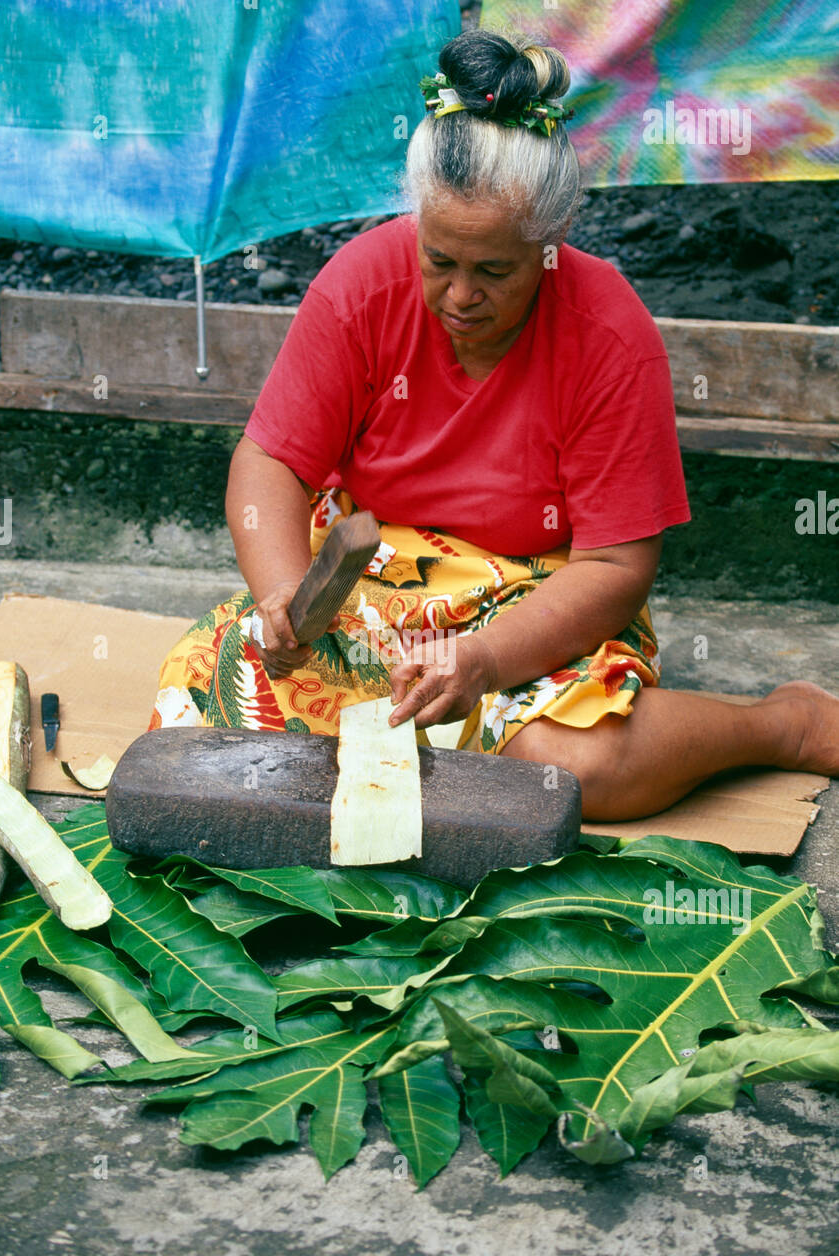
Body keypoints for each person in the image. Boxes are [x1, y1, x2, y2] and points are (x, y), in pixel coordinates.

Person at [149, 27, 838, 821]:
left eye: (494, 272)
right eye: (438, 261)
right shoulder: (361, 286)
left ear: (549, 243)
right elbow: (271, 464)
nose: (459, 296)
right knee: (201, 698)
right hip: (374, 588)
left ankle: (780, 726)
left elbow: (615, 565)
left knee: (574, 771)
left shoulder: (608, 333)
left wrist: (481, 659)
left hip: (540, 593)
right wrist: (280, 599)